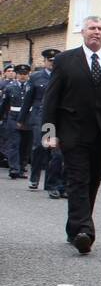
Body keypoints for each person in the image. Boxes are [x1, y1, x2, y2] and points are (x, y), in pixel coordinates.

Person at [41, 17, 101, 250]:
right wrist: (49, 132)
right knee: (78, 179)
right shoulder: (65, 60)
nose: (96, 32)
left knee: (93, 181)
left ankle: (73, 227)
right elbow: (51, 99)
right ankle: (85, 230)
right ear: (83, 32)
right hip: (72, 132)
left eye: (100, 28)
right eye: (91, 28)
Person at [20, 49, 62, 193]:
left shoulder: (62, 76)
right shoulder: (37, 77)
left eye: (55, 61)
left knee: (53, 150)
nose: (52, 64)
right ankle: (35, 177)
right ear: (44, 62)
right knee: (39, 147)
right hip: (40, 116)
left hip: (55, 118)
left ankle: (51, 183)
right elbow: (28, 100)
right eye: (50, 61)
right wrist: (22, 118)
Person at [2, 64, 31, 178]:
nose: (22, 76)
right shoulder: (9, 87)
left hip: (28, 119)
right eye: (20, 74)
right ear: (16, 74)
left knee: (25, 145)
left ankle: (22, 168)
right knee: (14, 144)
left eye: (25, 74)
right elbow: (4, 104)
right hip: (13, 118)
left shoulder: (32, 86)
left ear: (28, 75)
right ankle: (14, 169)